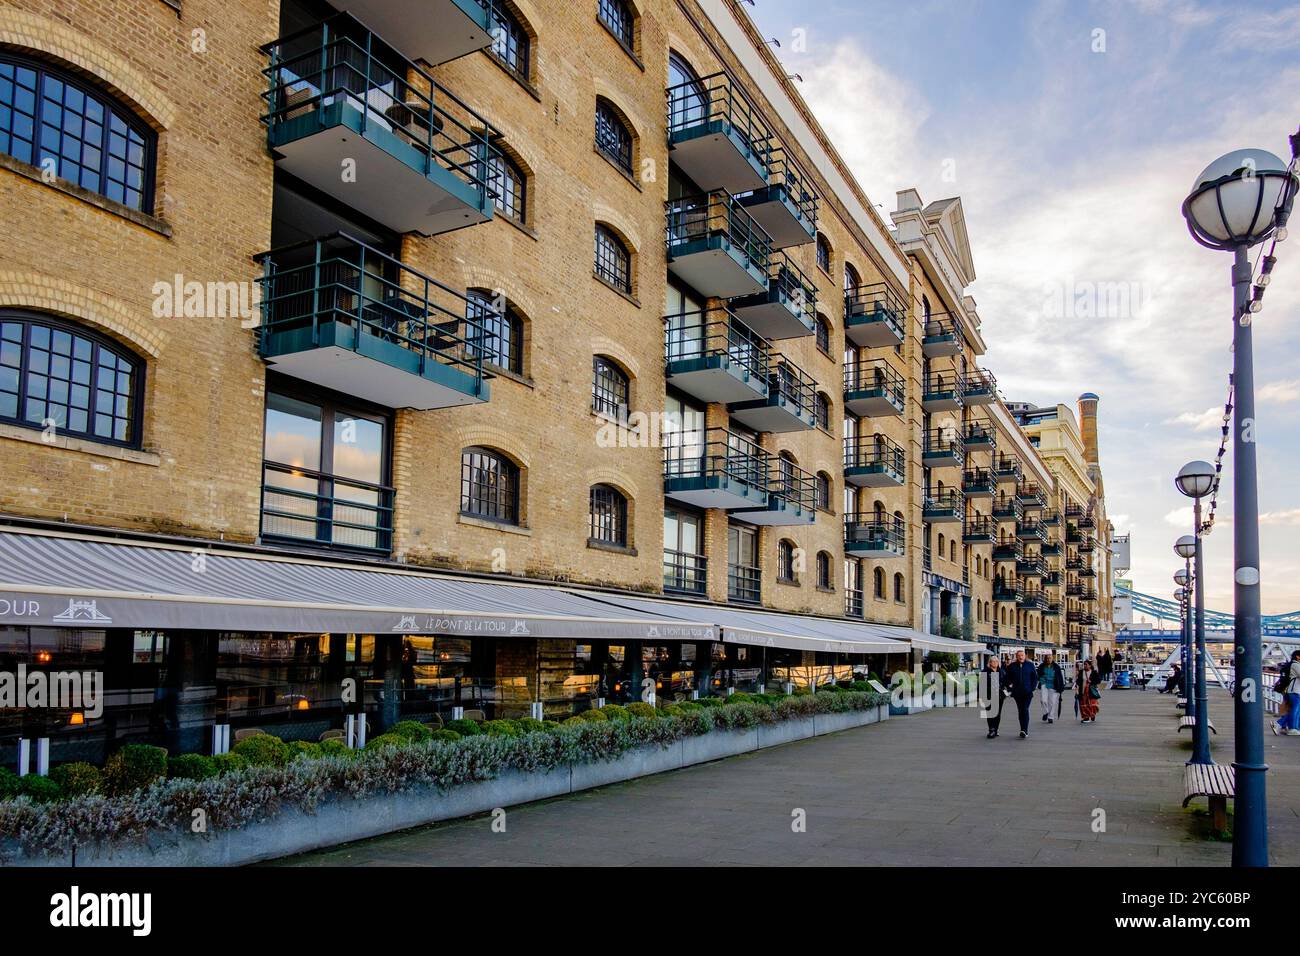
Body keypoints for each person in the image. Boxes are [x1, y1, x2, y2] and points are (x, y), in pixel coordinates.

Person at [1005, 649, 1038, 738]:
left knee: (1025, 709)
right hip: (1017, 693)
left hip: (1027, 692)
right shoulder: (1012, 666)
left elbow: (1035, 678)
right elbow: (1007, 678)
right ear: (1016, 656)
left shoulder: (1030, 665)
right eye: (1019, 655)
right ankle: (1022, 729)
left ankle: (1025, 730)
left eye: (1022, 655)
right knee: (1021, 711)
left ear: (1025, 656)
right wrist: (1010, 686)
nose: (1020, 657)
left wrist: (1032, 688)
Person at [1271, 650, 1300, 736]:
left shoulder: (1291, 664)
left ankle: (1288, 727)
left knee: (1294, 710)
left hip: (1291, 690)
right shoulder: (1295, 664)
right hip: (1295, 690)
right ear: (1298, 657)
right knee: (1295, 710)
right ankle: (1280, 724)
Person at [982, 655, 1009, 739]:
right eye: (993, 661)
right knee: (990, 713)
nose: (995, 663)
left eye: (996, 661)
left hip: (999, 695)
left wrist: (1008, 689)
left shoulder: (1002, 671)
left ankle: (995, 729)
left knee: (997, 713)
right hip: (988, 695)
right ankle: (991, 729)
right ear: (990, 663)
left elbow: (1006, 682)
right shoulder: (985, 671)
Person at [1037, 652, 1065, 723]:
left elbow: (1060, 677)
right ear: (1045, 659)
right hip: (1044, 684)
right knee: (1043, 700)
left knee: (1052, 702)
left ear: (1052, 659)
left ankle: (1050, 717)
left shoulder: (1056, 667)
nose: (1048, 659)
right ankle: (1046, 712)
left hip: (1054, 685)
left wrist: (1061, 687)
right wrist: (1041, 679)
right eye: (1047, 658)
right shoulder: (1042, 666)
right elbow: (1038, 674)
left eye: (1050, 658)